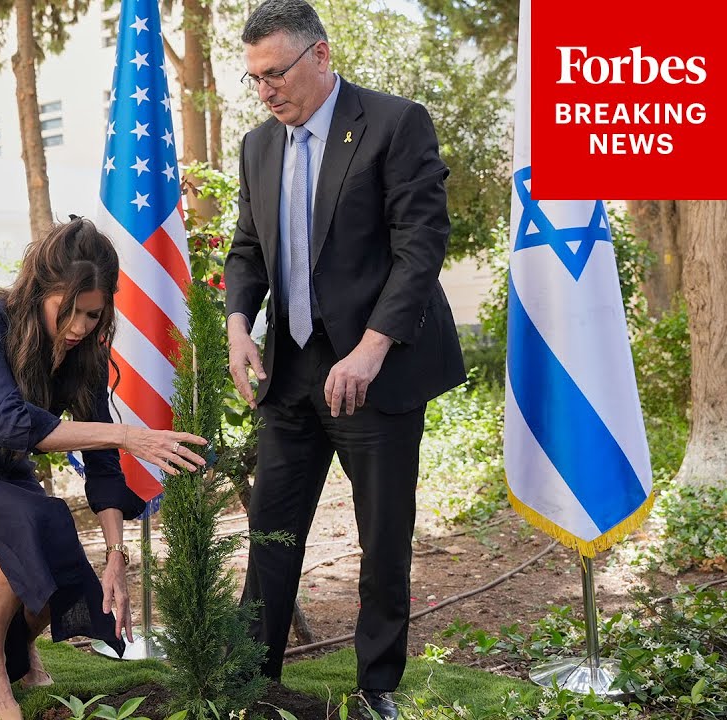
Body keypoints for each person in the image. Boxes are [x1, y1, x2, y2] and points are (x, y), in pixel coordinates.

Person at [223, 1, 467, 718]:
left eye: (276, 73)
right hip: (292, 372)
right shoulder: (257, 146)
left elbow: (420, 245)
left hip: (376, 371)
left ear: (321, 56)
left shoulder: (394, 124)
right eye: (255, 78)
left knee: (382, 538)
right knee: (270, 530)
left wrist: (370, 348)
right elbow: (247, 250)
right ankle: (252, 683)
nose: (265, 91)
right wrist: (239, 327)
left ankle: (377, 687)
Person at [0, 218, 207, 720]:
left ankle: (17, 645)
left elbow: (103, 465)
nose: (80, 327)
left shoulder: (86, 355)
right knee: (31, 519)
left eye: (93, 315)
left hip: (5, 478)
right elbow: (11, 424)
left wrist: (117, 556)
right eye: (70, 311)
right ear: (42, 289)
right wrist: (128, 435)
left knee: (54, 534)